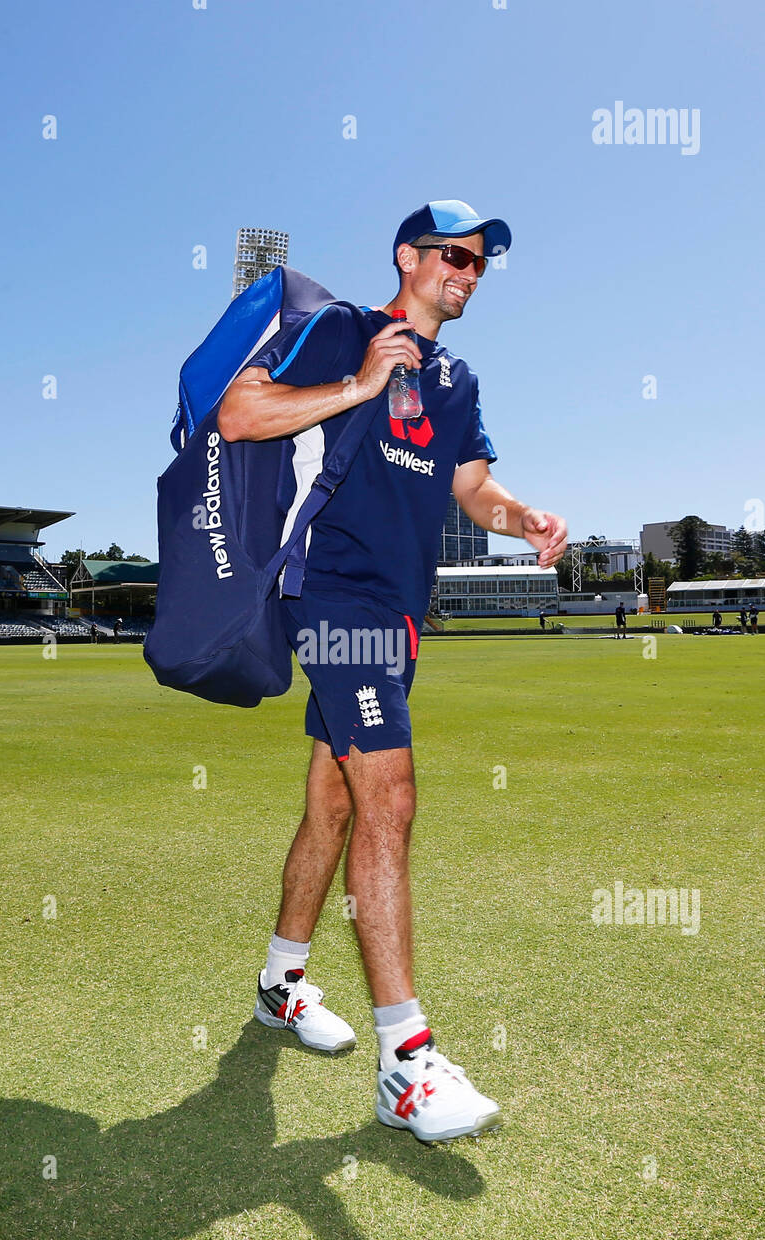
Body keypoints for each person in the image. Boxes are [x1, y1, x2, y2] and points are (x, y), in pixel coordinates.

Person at [218, 200, 568, 1143]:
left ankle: (280, 984)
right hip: (331, 595)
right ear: (408, 256)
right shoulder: (341, 332)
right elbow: (240, 412)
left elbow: (472, 488)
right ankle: (406, 1064)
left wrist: (522, 517)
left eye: (481, 263)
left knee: (335, 802)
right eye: (454, 255)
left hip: (402, 614)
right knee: (393, 799)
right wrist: (360, 383)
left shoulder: (458, 378)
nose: (468, 271)